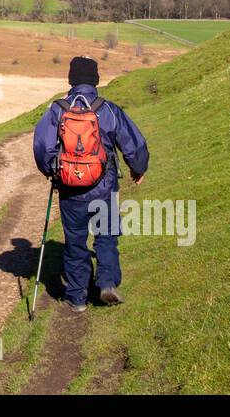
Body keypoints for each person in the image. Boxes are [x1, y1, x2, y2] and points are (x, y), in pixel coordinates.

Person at [32, 56, 149, 311]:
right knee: (106, 237)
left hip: (70, 192)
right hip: (104, 189)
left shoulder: (57, 110)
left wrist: (52, 172)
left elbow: (42, 147)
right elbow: (133, 143)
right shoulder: (107, 109)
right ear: (95, 80)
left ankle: (76, 297)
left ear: (71, 79)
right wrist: (138, 169)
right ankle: (106, 283)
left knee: (75, 242)